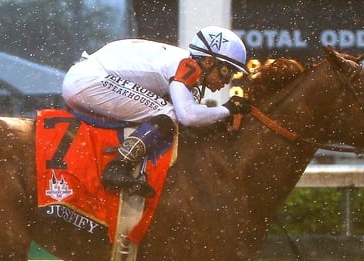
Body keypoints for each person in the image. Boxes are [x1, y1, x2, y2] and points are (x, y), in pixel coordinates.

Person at [61, 26, 252, 198]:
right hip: (89, 80)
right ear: (209, 61)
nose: (227, 81)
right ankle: (118, 167)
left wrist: (220, 117)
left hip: (86, 78)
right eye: (227, 72)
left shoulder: (184, 64)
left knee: (168, 113)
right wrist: (227, 109)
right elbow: (188, 116)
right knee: (169, 113)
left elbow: (192, 116)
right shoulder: (186, 65)